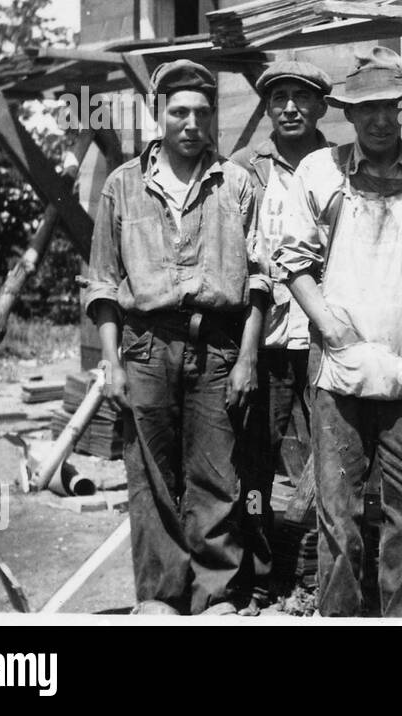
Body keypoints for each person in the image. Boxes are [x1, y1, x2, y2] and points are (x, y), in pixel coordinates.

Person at [274, 47, 402, 617]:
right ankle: (339, 614)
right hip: (341, 368)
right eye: (367, 109)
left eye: (390, 107)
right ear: (349, 114)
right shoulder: (321, 172)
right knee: (338, 511)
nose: (380, 119)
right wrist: (330, 328)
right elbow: (292, 261)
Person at [84, 59, 269, 615]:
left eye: (202, 112)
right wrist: (111, 361)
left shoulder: (237, 183)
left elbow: (262, 278)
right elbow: (102, 281)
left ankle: (215, 593)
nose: (191, 123)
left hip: (218, 346)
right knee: (151, 475)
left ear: (213, 118)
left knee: (216, 474)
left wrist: (248, 359)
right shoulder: (122, 187)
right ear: (158, 115)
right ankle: (160, 596)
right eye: (179, 112)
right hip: (145, 346)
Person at [229, 60, 337, 613]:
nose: (290, 107)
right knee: (256, 461)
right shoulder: (245, 168)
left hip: (327, 334)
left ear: (321, 106)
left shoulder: (341, 163)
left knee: (337, 454)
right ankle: (259, 576)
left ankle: (327, 576)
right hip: (266, 334)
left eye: (302, 97)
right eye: (279, 99)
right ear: (267, 108)